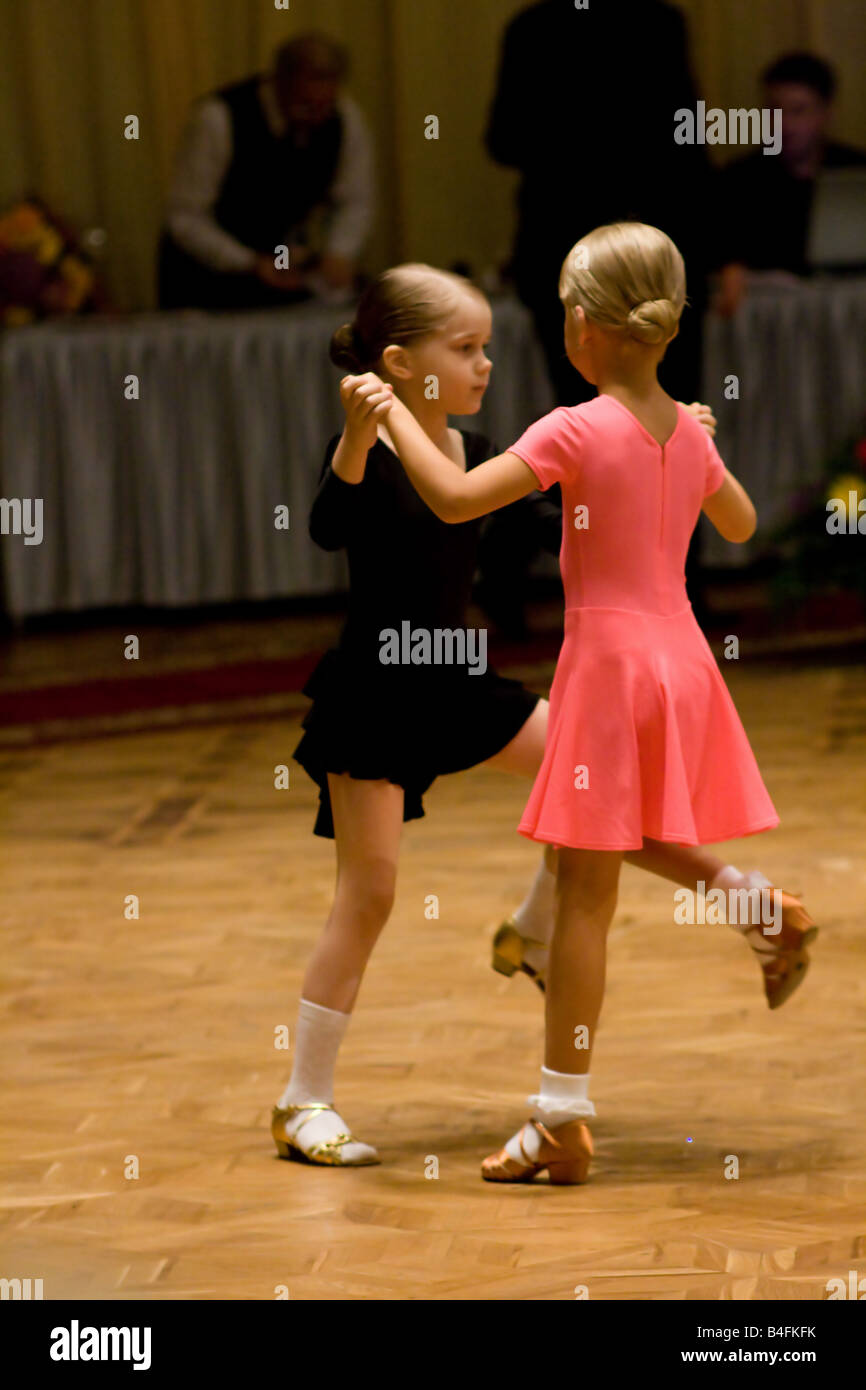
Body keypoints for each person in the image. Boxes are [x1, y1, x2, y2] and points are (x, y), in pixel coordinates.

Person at [272, 261, 816, 1169]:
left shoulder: (482, 446)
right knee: (369, 896)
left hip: (457, 679)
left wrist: (666, 447)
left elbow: (567, 494)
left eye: (487, 347)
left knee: (598, 801)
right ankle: (302, 1101)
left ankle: (717, 907)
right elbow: (332, 524)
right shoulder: (364, 439)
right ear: (401, 363)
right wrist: (359, 436)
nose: (486, 363)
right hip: (376, 694)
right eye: (467, 348)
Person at [483, 0, 713, 631]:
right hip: (646, 253)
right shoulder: (656, 22)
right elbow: (687, 138)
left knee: (591, 430)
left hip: (589, 252)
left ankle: (580, 583)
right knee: (656, 422)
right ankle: (670, 584)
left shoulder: (538, 28)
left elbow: (503, 139)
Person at [157, 33, 374, 311]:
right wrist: (246, 262)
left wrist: (339, 253)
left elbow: (355, 198)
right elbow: (185, 216)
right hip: (206, 279)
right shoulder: (218, 118)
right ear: (280, 81)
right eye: (305, 101)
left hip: (281, 273)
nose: (314, 114)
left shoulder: (344, 118)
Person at [713, 52, 866, 316]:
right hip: (771, 317)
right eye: (774, 111)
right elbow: (720, 247)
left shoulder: (855, 171)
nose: (784, 124)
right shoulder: (740, 178)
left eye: (799, 111)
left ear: (826, 113)